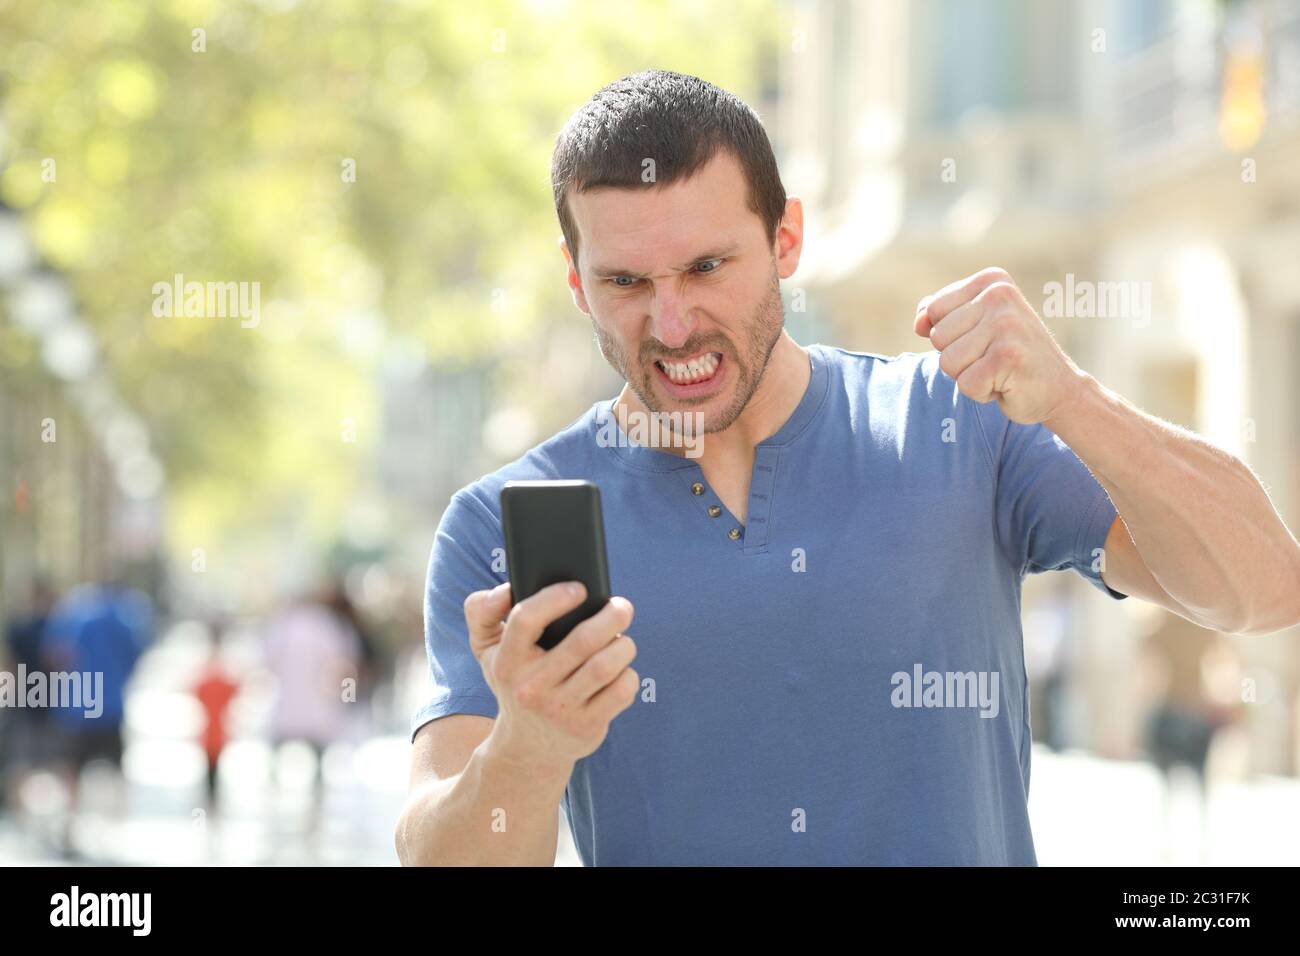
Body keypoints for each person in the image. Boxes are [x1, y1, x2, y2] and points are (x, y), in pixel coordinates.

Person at [397, 70, 1300, 866]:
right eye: (626, 283)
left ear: (786, 239)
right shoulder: (497, 528)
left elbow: (1264, 589)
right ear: (575, 279)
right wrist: (531, 744)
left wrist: (1074, 400)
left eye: (708, 266)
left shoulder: (961, 423)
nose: (672, 327)